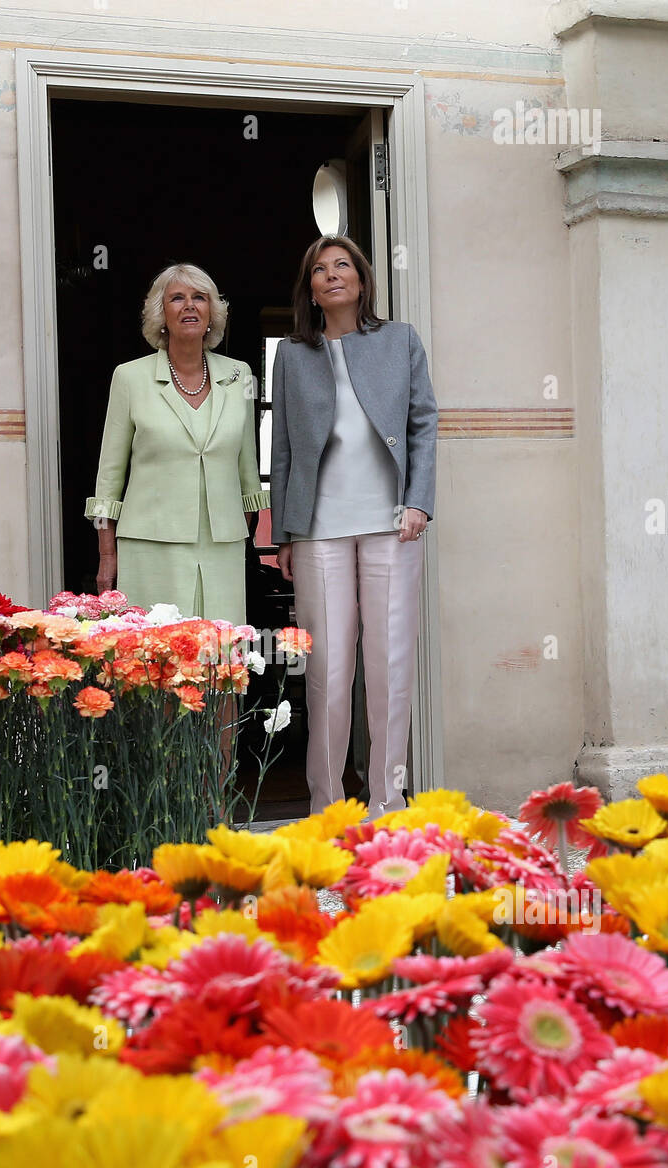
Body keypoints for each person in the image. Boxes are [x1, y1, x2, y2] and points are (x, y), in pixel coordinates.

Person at [270, 234, 438, 819]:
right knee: (328, 672)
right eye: (320, 270)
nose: (333, 275)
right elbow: (284, 447)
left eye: (343, 266)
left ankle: (389, 802)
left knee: (391, 668)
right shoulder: (292, 354)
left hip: (393, 525)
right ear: (311, 290)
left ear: (362, 281)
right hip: (319, 529)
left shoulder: (400, 340)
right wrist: (285, 534)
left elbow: (423, 424)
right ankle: (328, 807)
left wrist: (418, 501)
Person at [86, 263, 269, 626]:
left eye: (199, 297)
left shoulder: (239, 376)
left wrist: (233, 531)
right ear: (161, 315)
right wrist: (108, 557)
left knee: (219, 660)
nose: (190, 306)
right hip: (150, 546)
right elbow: (109, 478)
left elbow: (247, 474)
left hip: (221, 549)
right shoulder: (129, 378)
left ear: (212, 313)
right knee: (155, 665)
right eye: (177, 298)